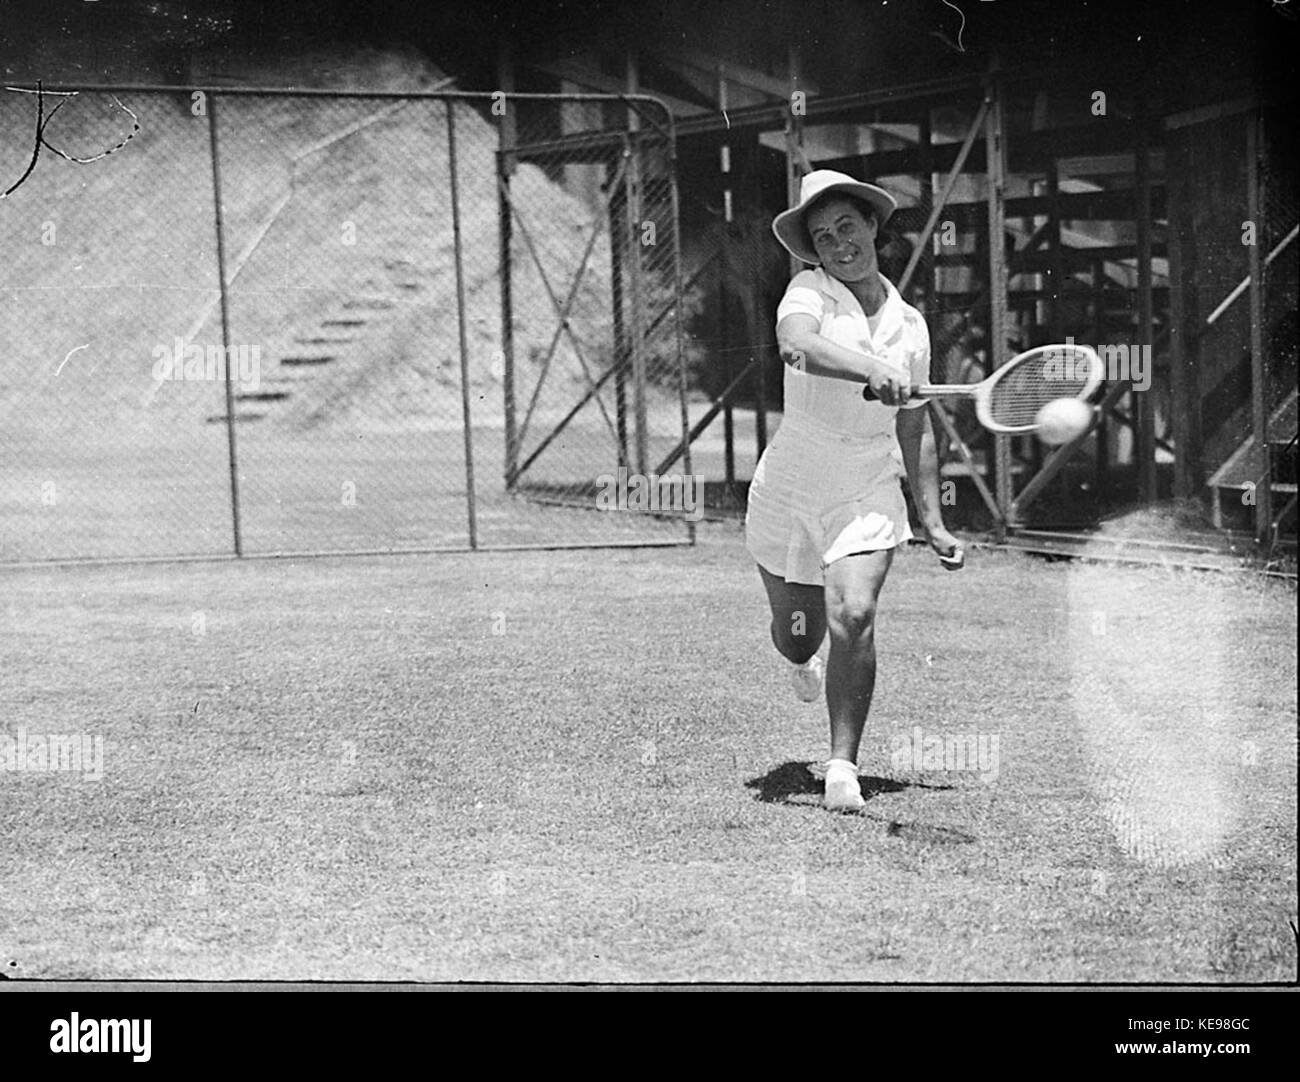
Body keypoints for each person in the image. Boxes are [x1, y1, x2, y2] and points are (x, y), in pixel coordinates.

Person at [746, 169, 961, 811]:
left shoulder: (912, 325)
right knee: (798, 634)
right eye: (822, 235)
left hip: (866, 479)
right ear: (811, 248)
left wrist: (934, 520)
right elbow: (796, 347)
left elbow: (915, 423)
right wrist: (871, 368)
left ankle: (843, 766)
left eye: (848, 226)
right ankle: (799, 659)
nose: (839, 243)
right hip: (793, 477)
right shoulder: (805, 292)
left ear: (872, 226)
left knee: (855, 615)